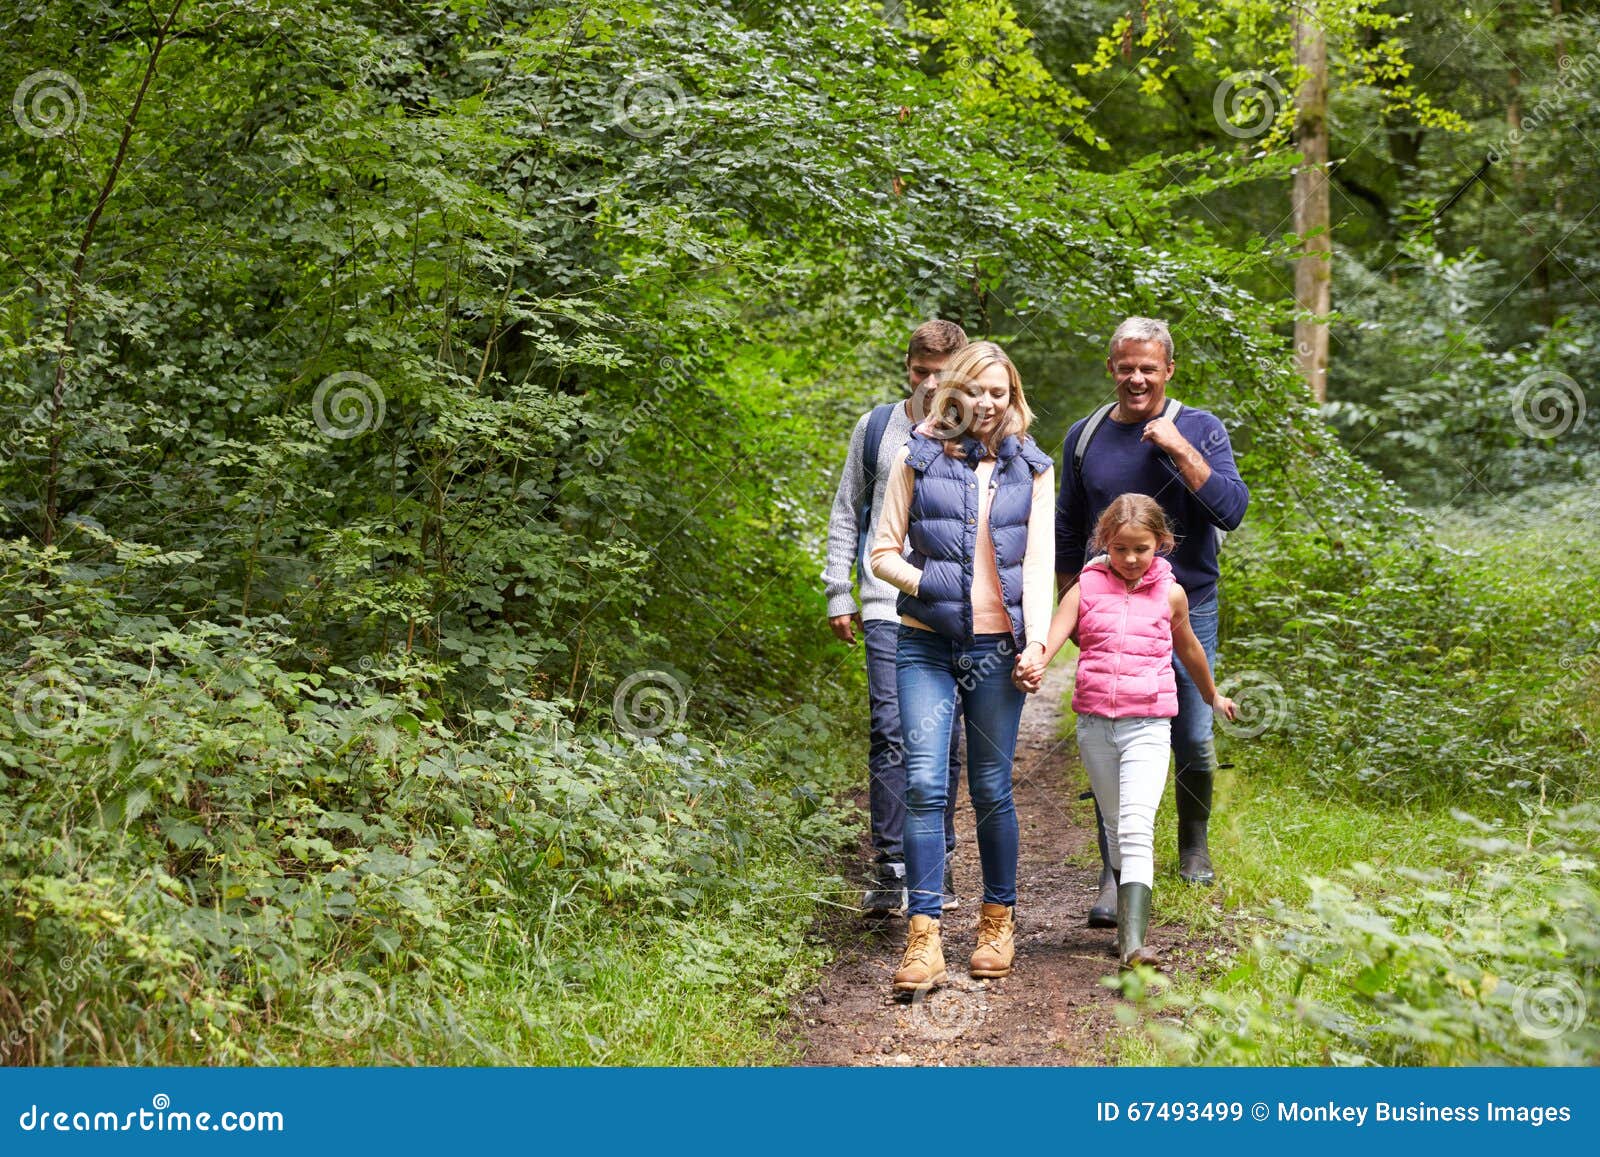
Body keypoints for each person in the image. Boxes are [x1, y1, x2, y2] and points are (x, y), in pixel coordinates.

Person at [869, 340, 1054, 993]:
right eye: (975, 390)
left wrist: (1036, 645)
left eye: (999, 392)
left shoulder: (1033, 467)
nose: (986, 403)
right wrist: (929, 584)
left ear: (1012, 397)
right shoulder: (914, 456)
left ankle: (995, 922)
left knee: (991, 786)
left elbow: (1036, 564)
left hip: (999, 649)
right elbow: (881, 553)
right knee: (923, 782)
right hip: (924, 641)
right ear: (954, 393)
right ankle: (923, 937)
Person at [1055, 317, 1249, 925]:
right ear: (1111, 369)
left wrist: (1179, 449)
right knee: (1110, 738)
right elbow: (1067, 526)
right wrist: (1073, 604)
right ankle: (1115, 875)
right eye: (1125, 366)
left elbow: (1232, 510)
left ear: (1169, 369)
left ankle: (1192, 843)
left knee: (1190, 735)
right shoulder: (1084, 436)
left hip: (1185, 603)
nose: (1136, 378)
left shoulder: (1201, 428)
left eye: (1148, 367)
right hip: (1109, 610)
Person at [1016, 495, 1237, 967]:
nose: (1132, 559)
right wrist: (1034, 663)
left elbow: (1191, 649)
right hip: (1095, 725)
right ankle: (1124, 931)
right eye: (1120, 549)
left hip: (1150, 724)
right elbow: (1053, 636)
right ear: (1104, 544)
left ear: (1162, 543)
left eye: (1142, 548)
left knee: (1137, 827)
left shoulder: (1171, 592)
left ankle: (1134, 945)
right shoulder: (1085, 588)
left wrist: (1212, 695)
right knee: (1115, 828)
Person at [823, 320, 968, 914]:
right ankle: (889, 866)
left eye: (942, 372)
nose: (931, 383)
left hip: (956, 604)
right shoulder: (877, 427)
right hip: (886, 602)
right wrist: (840, 591)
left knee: (950, 736)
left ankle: (938, 861)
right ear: (906, 366)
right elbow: (845, 511)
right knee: (891, 730)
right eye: (920, 371)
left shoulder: (976, 427)